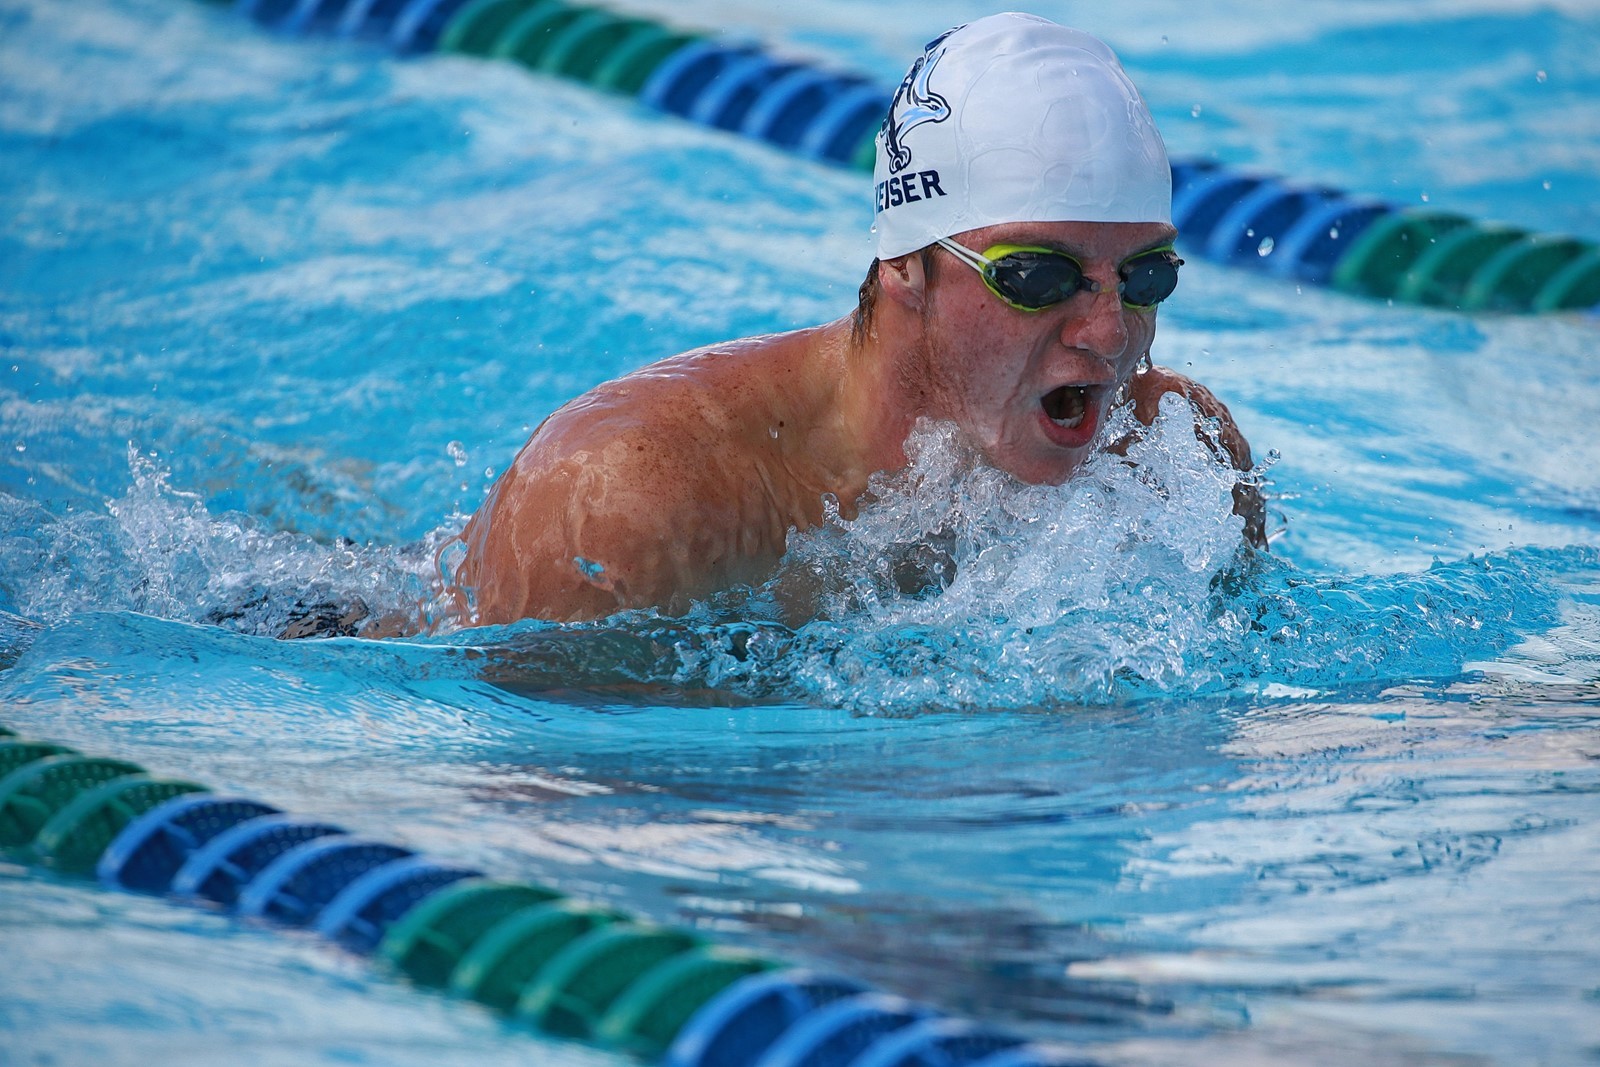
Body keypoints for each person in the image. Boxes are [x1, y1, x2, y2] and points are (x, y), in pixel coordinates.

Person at [450, 13, 1262, 627]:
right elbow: (550, 804)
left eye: (1143, 275)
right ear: (907, 263)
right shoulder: (635, 503)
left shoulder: (1175, 463)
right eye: (1039, 277)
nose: (1110, 333)